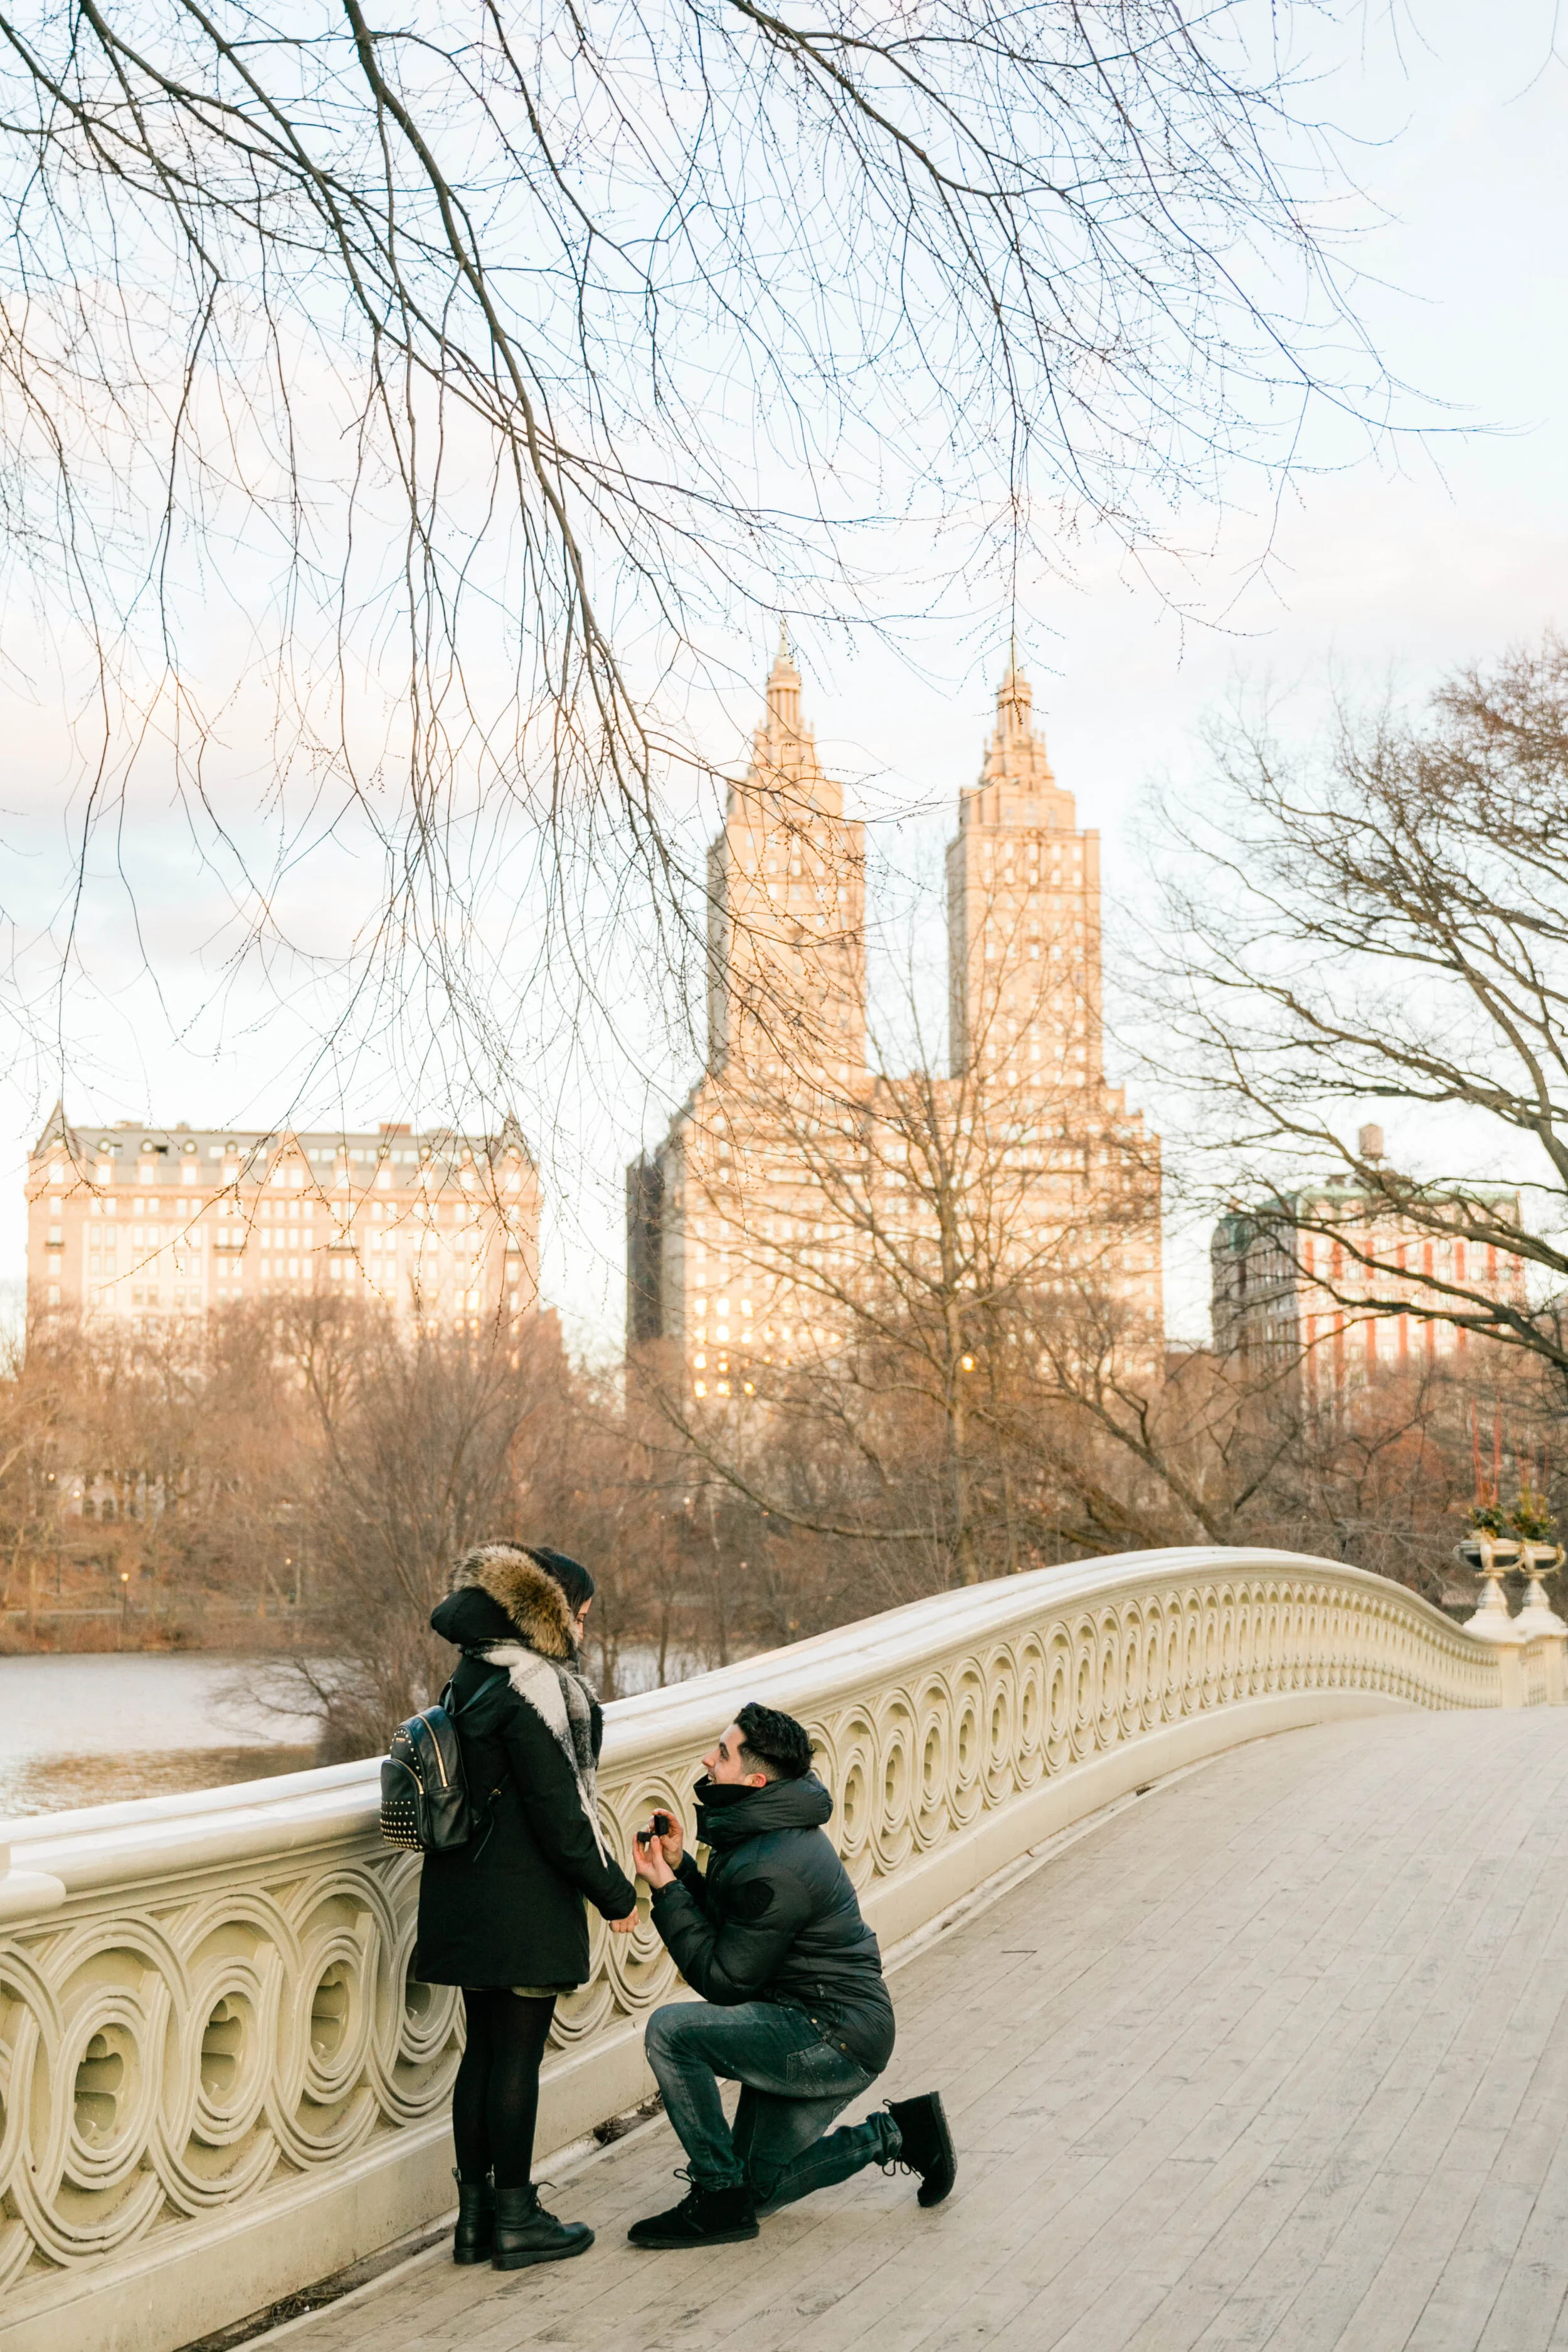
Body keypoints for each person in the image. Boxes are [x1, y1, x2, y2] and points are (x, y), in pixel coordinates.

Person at [628, 1699, 955, 2248]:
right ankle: (900, 2133)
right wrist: (682, 1867)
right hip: (809, 2019)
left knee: (671, 2032)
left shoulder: (773, 1861)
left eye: (723, 1755)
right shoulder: (766, 1831)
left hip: (831, 2037)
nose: (708, 1760)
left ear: (756, 1780)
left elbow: (726, 1978)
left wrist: (664, 1891)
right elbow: (742, 1933)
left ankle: (717, 2194)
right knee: (758, 2189)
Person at [413, 1540, 638, 2270]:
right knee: (514, 2057)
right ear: (550, 1612)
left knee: (481, 2054)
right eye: (582, 1614)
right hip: (522, 1901)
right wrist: (615, 1894)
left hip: (464, 1892)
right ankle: (517, 2218)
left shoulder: (472, 1671)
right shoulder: (535, 1684)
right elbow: (560, 1815)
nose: (585, 1627)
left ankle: (475, 2221)